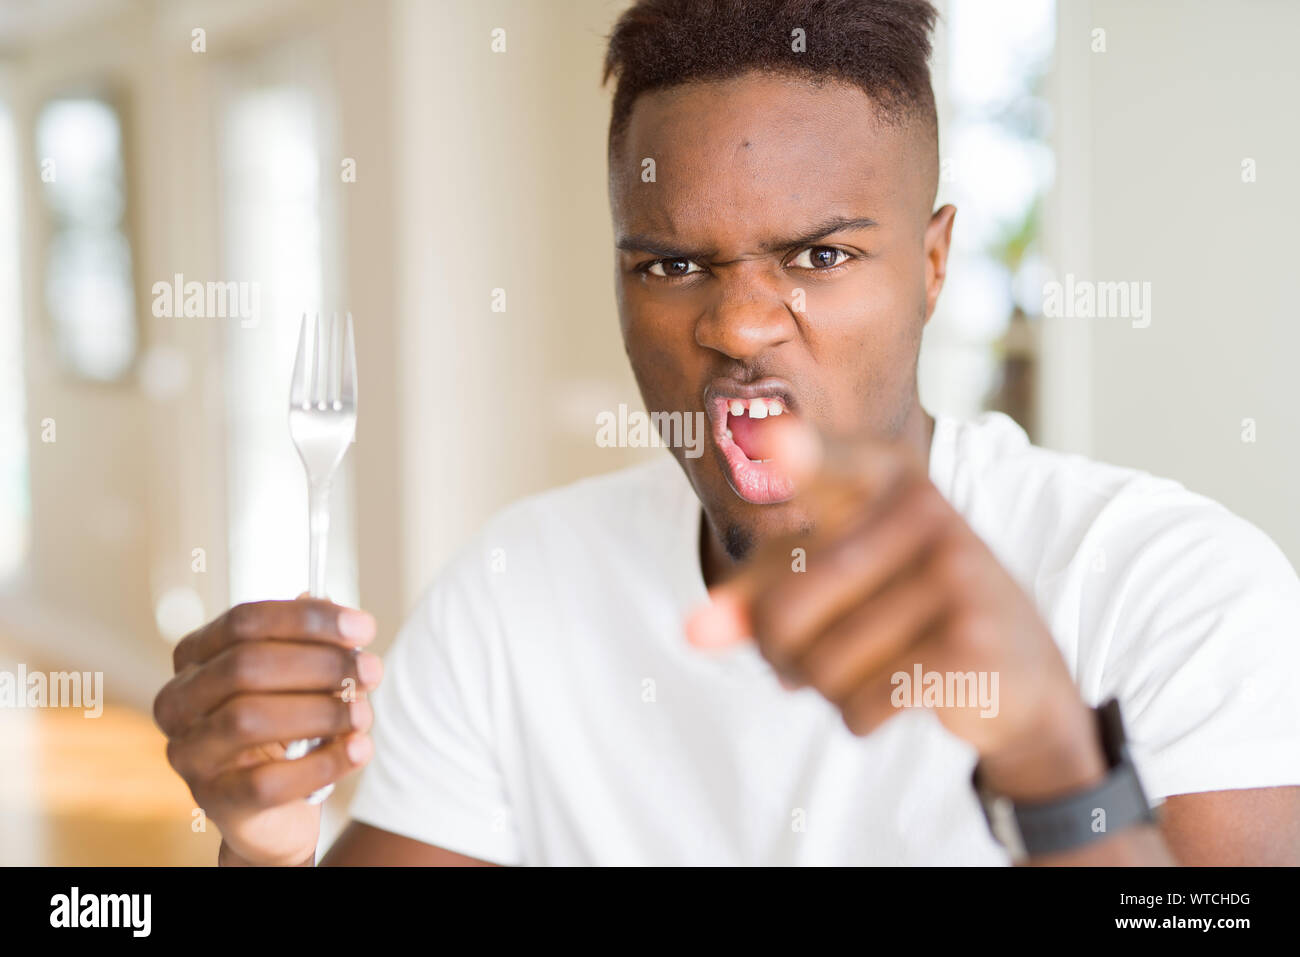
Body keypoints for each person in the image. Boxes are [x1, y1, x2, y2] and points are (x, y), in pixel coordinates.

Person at [154, 0, 1300, 866]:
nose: (739, 324)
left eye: (820, 255)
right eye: (671, 264)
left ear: (935, 263)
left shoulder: (1169, 584)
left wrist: (1056, 764)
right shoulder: (515, 590)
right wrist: (261, 841)